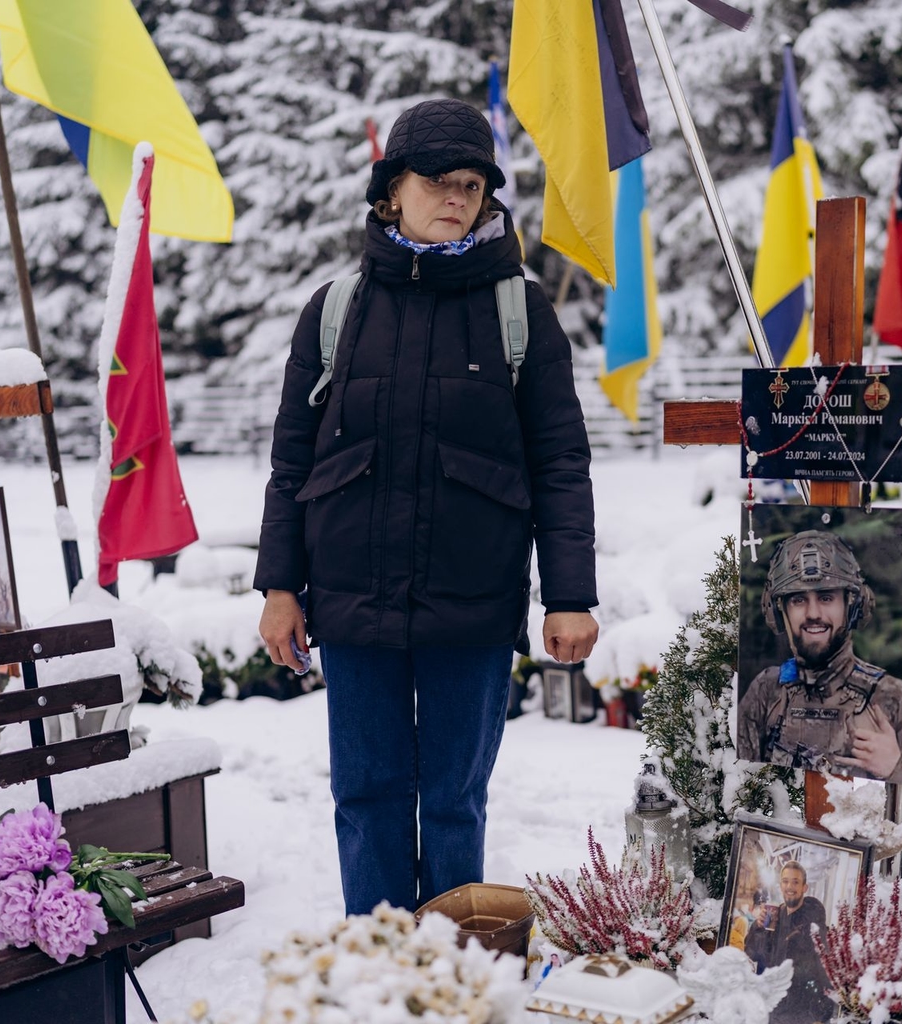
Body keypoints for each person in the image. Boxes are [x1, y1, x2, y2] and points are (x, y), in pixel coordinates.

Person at [255, 98, 599, 916]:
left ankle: (450, 971)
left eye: (473, 185)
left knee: (453, 800)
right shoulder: (336, 309)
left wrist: (571, 594)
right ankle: (378, 966)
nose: (456, 196)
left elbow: (561, 461)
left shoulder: (520, 310)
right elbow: (293, 460)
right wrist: (278, 586)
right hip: (352, 600)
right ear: (390, 191)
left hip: (472, 604)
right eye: (438, 181)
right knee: (366, 796)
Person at [735, 531, 902, 784]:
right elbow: (743, 782)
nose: (813, 613)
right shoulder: (766, 691)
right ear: (779, 613)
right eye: (799, 600)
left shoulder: (900, 702)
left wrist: (897, 767)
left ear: (852, 606)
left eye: (826, 597)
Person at [743, 860, 833, 1024]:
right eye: (785, 881)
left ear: (805, 888)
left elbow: (824, 968)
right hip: (773, 1008)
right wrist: (757, 926)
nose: (789, 887)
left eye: (795, 882)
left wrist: (821, 1015)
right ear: (780, 885)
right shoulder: (775, 917)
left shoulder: (813, 922)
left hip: (802, 1012)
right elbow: (754, 954)